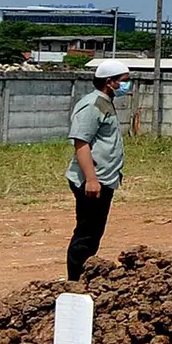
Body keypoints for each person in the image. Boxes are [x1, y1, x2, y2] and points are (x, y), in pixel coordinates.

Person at [66, 60, 133, 280]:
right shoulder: (92, 105)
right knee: (86, 234)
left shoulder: (105, 103)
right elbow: (81, 143)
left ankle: (85, 277)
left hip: (105, 179)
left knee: (94, 233)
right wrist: (91, 179)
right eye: (124, 81)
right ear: (109, 82)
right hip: (93, 181)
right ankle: (75, 280)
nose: (127, 85)